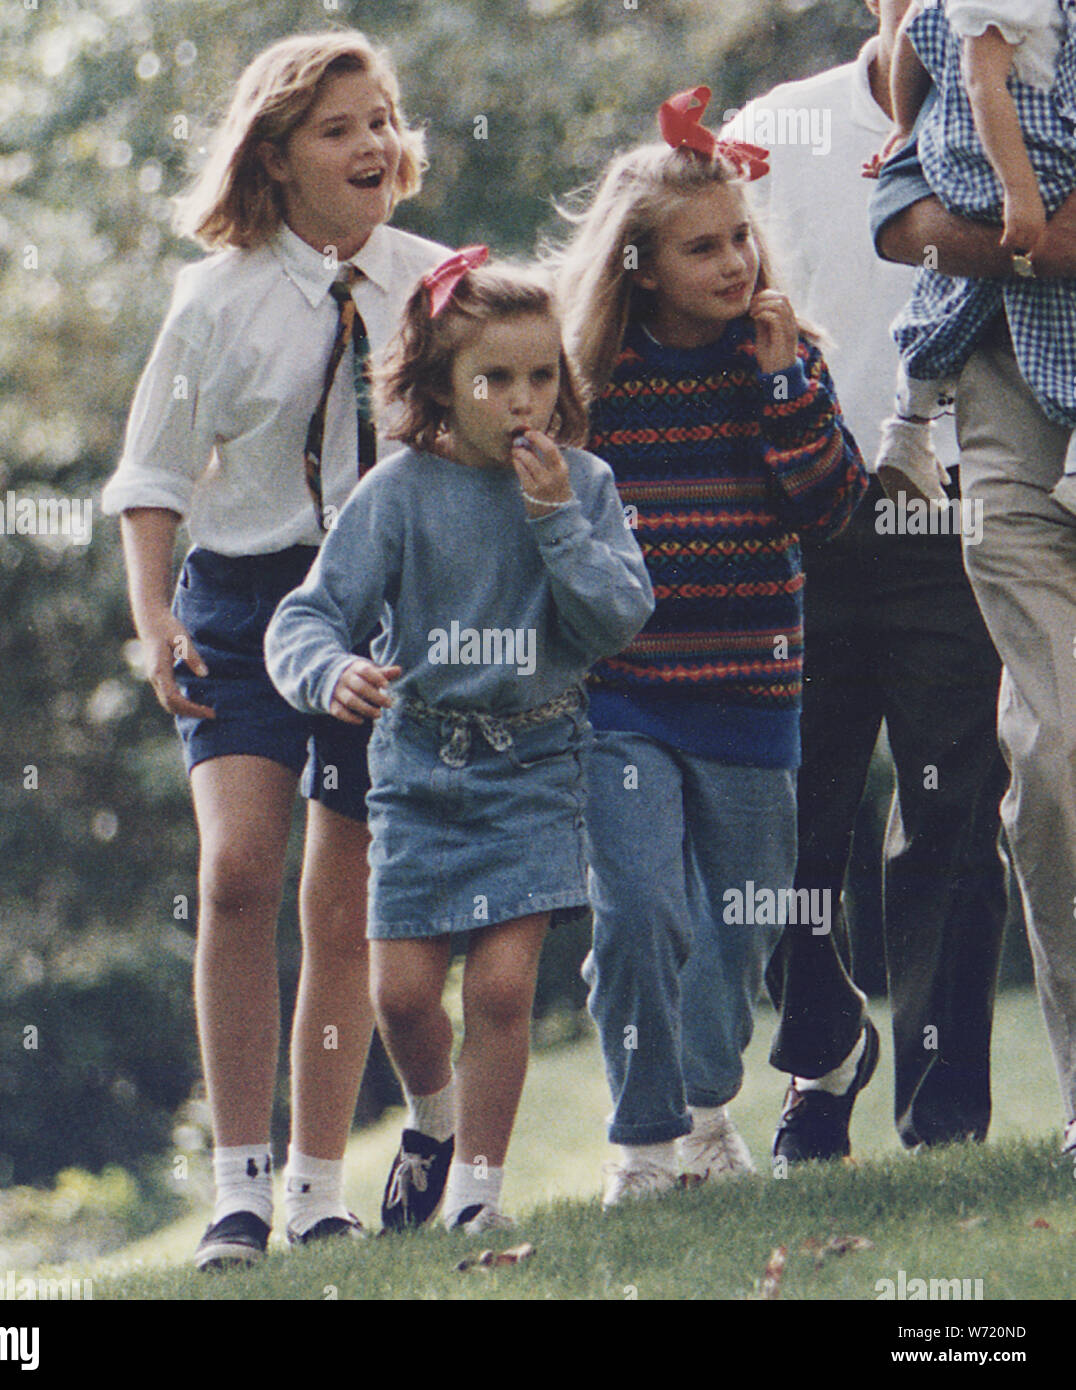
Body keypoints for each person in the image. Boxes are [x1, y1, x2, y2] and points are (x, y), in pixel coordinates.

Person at [101, 30, 447, 1269]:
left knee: (338, 898)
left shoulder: (433, 284)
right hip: (243, 605)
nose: (373, 144)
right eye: (339, 126)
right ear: (277, 155)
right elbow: (150, 477)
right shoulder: (216, 296)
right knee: (240, 867)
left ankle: (317, 1186)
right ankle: (237, 1189)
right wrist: (156, 623)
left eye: (384, 120)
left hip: (373, 609)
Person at [264, 252, 654, 1234]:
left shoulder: (585, 484)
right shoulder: (399, 494)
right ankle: (432, 1118)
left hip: (534, 767)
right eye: (495, 379)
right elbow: (306, 617)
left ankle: (477, 1194)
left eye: (540, 376)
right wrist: (331, 673)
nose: (524, 399)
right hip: (419, 773)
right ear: (441, 383)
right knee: (399, 996)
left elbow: (619, 618)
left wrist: (557, 520)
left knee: (503, 984)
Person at [552, 88, 868, 1206]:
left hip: (751, 692)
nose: (734, 262)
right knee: (639, 912)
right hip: (625, 694)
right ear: (640, 264)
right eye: (703, 247)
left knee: (738, 931)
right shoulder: (589, 384)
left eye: (740, 237)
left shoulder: (785, 360)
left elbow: (828, 510)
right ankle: (643, 1146)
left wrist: (787, 385)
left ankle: (704, 1110)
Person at [723, 0, 1008, 1160]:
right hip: (797, 524)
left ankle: (942, 1119)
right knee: (790, 821)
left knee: (945, 816)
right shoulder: (776, 130)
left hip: (957, 514)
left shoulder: (1026, 127)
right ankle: (823, 1057)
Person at [873, 30, 1076, 1162]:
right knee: (1054, 761)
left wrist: (1025, 232)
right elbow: (904, 218)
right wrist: (1036, 234)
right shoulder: (975, 28)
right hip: (1006, 417)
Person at [865, 0, 1076, 509]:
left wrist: (904, 125)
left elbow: (912, 40)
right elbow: (984, 85)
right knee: (1058, 314)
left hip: (964, 170)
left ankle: (908, 428)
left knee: (943, 303)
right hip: (1023, 169)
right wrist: (1020, 192)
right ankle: (1072, 470)